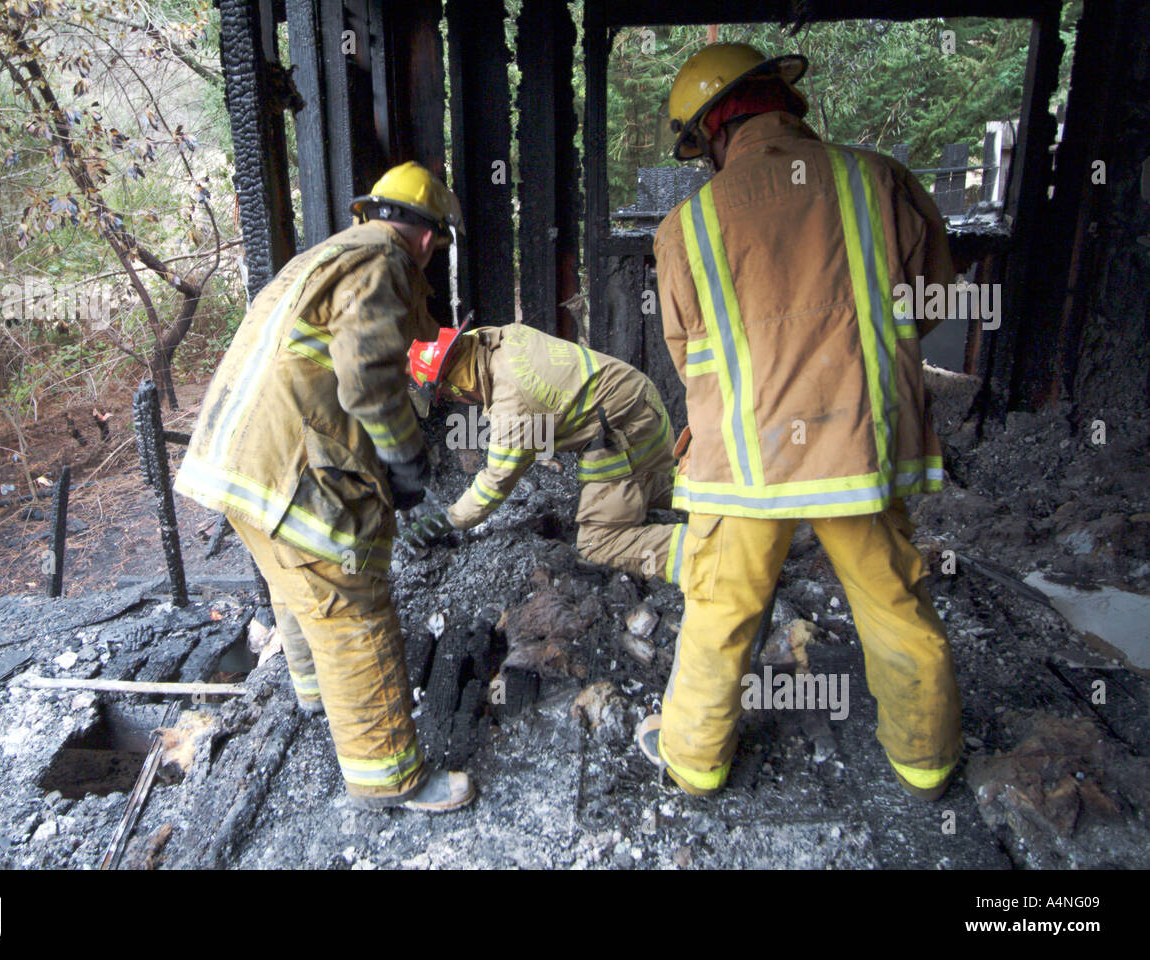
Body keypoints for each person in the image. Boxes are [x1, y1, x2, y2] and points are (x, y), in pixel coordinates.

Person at [635, 43, 962, 801]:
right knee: (893, 603)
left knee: (720, 612)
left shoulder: (684, 227)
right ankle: (926, 763)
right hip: (860, 445)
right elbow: (934, 299)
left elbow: (690, 360)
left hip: (747, 463)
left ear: (713, 130)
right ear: (782, 100)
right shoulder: (877, 180)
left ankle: (693, 763)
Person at [173, 162, 475, 812]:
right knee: (354, 609)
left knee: (294, 578)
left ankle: (312, 691)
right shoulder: (384, 261)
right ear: (427, 236)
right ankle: (388, 778)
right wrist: (405, 458)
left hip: (234, 463)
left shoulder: (320, 258)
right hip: (288, 470)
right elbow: (366, 376)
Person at [403, 323, 684, 583]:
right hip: (639, 398)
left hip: (625, 430)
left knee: (597, 544)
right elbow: (540, 427)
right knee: (648, 485)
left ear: (458, 388)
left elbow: (495, 483)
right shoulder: (499, 338)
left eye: (450, 396)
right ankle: (708, 500)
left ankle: (701, 551)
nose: (455, 402)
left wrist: (448, 519)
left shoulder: (512, 408)